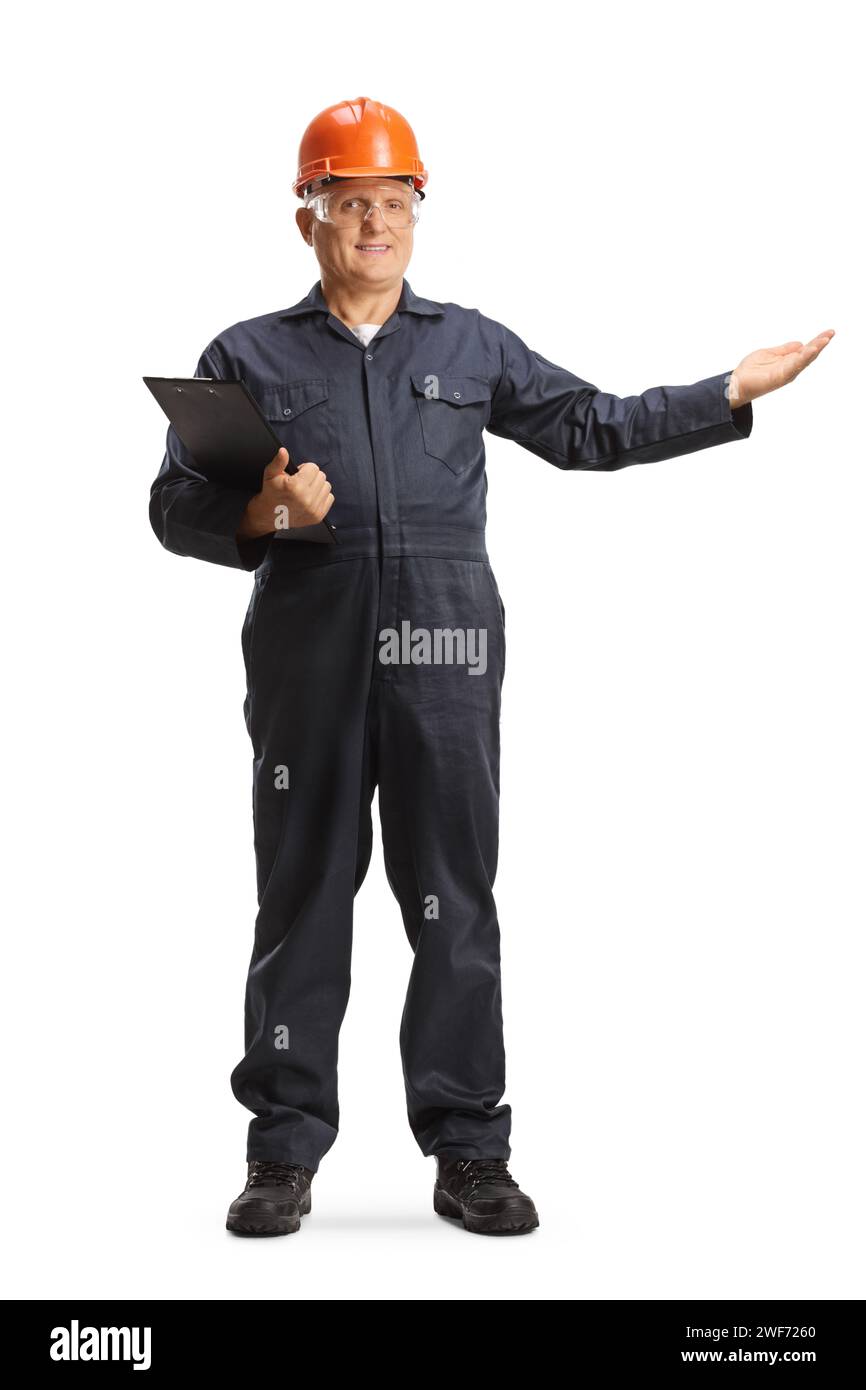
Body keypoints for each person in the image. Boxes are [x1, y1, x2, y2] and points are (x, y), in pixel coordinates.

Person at [149, 96, 834, 1238]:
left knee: (453, 899)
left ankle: (469, 1148)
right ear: (307, 217)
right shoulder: (247, 356)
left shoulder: (469, 344)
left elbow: (590, 426)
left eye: (394, 200)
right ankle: (281, 1153)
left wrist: (724, 394)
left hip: (447, 655)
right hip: (309, 661)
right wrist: (262, 512)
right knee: (301, 897)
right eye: (349, 202)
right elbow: (173, 505)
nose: (375, 222)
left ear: (418, 211)